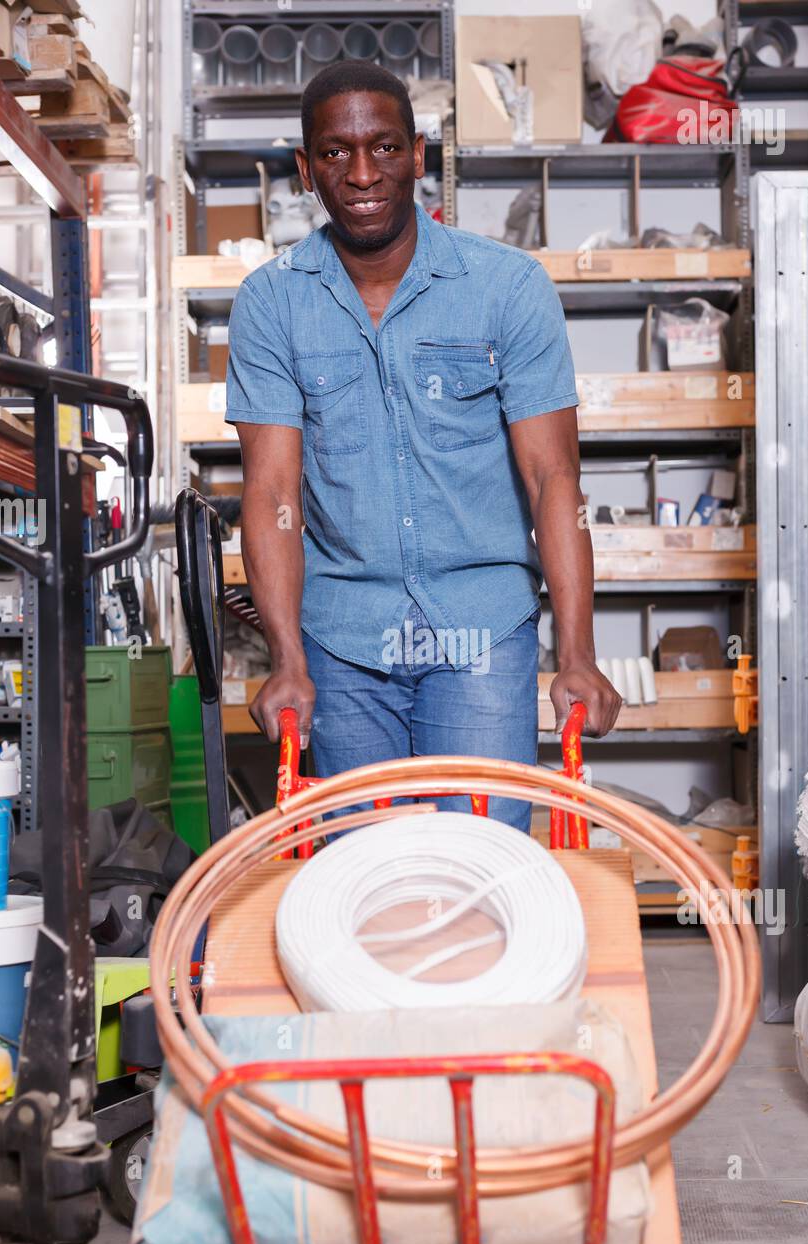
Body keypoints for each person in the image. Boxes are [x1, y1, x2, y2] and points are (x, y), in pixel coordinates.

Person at [226, 60, 620, 831]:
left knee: (481, 878)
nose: (363, 171)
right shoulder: (271, 303)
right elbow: (271, 495)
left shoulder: (506, 288)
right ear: (306, 170)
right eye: (335, 152)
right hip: (342, 643)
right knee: (364, 891)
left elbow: (552, 480)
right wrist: (288, 662)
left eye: (384, 146)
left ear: (419, 157)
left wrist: (576, 651)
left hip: (482, 633)